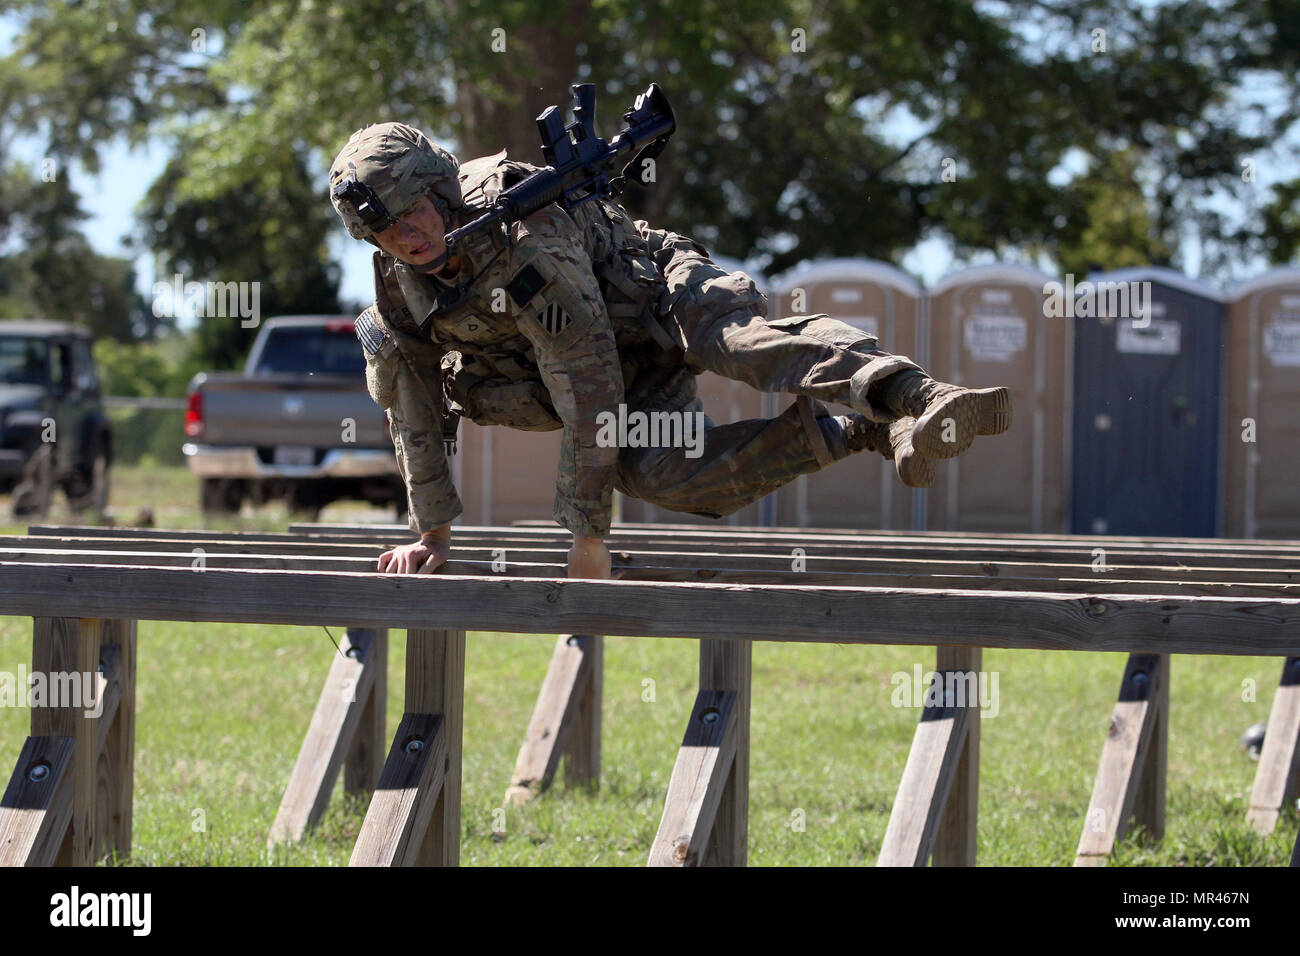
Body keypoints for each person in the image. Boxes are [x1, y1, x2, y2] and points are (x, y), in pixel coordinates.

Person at [328, 123, 1011, 579]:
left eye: (414, 209)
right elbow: (416, 398)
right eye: (383, 228)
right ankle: (858, 428)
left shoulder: (521, 235)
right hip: (618, 365)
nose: (406, 235)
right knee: (665, 478)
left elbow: (585, 381)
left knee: (736, 345)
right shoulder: (399, 281)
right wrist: (433, 536)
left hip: (657, 296)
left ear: (442, 188)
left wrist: (586, 540)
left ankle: (915, 395)